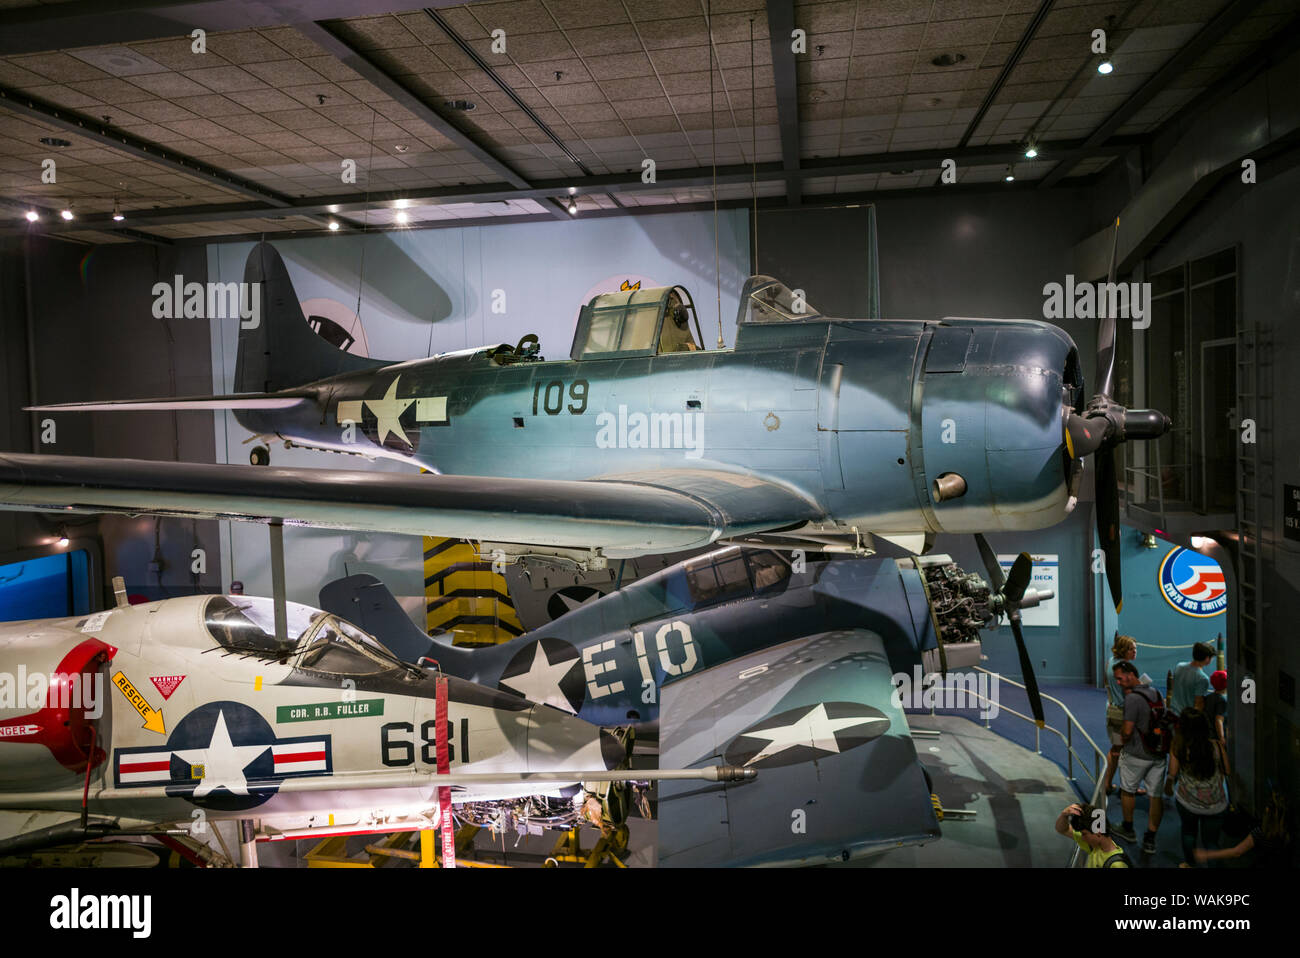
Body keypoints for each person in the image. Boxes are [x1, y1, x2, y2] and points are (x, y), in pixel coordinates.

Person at [1111, 661, 1165, 853]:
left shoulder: (1132, 699)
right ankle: (1150, 839)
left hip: (1135, 754)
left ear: (1130, 674)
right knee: (1155, 797)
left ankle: (1128, 829)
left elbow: (1127, 730)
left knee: (1128, 791)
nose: (1118, 682)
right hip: (1158, 755)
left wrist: (1121, 743)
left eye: (1119, 678)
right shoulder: (1156, 693)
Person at [1165, 708, 1227, 867]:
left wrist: (1169, 786)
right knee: (1212, 843)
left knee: (1188, 833)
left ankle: (1190, 863)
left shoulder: (1178, 746)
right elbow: (1227, 770)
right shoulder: (1216, 746)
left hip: (1187, 802)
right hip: (1216, 803)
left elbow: (1172, 772)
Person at [1196, 791, 1293, 868]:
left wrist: (1208, 854)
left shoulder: (1260, 832)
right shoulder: (1290, 831)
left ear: (1268, 811)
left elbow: (1236, 852)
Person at [1103, 635, 1138, 796]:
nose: (1135, 652)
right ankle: (1130, 787)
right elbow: (1131, 692)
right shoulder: (1125, 669)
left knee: (1115, 750)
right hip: (1125, 715)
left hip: (1111, 710)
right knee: (1130, 752)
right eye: (1132, 649)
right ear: (1124, 650)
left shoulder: (1110, 662)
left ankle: (1107, 783)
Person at [1056, 802, 1130, 867]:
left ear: (1098, 832)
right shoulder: (1094, 846)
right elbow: (1062, 829)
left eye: (1084, 834)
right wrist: (1064, 814)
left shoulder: (1118, 865)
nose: (1083, 838)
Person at [1168, 642, 1215, 715]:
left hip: (1172, 713)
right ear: (1207, 658)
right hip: (1187, 717)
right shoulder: (1202, 678)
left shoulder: (1179, 666)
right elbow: (1198, 703)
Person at [1205, 669, 1229, 758]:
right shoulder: (1223, 701)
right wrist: (1222, 738)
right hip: (1217, 738)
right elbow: (1218, 720)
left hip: (1208, 735)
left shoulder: (1209, 697)